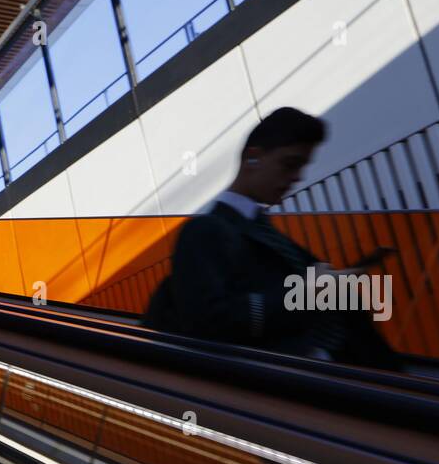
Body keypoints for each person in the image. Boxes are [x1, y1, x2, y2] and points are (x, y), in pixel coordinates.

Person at [143, 107, 398, 368]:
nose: (298, 177)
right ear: (253, 158)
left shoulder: (262, 232)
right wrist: (306, 292)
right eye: (290, 164)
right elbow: (209, 323)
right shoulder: (204, 231)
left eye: (302, 165)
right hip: (292, 384)